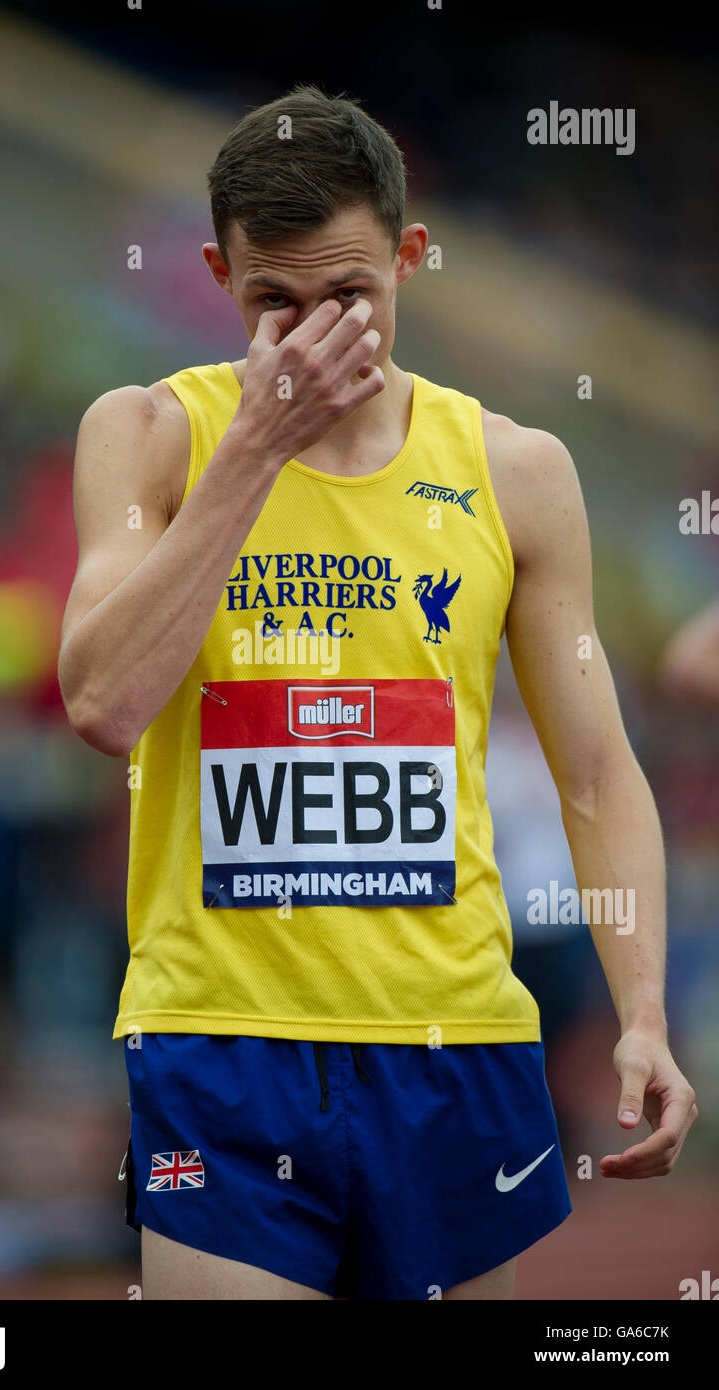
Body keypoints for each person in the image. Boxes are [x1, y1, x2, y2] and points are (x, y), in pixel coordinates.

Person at [58, 84, 697, 1300]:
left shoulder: (514, 471)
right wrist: (253, 450)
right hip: (223, 1043)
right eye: (272, 303)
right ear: (215, 272)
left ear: (410, 255)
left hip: (450, 1043)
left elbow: (598, 771)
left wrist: (644, 1011)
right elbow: (103, 704)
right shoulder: (147, 435)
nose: (312, 340)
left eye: (349, 296)